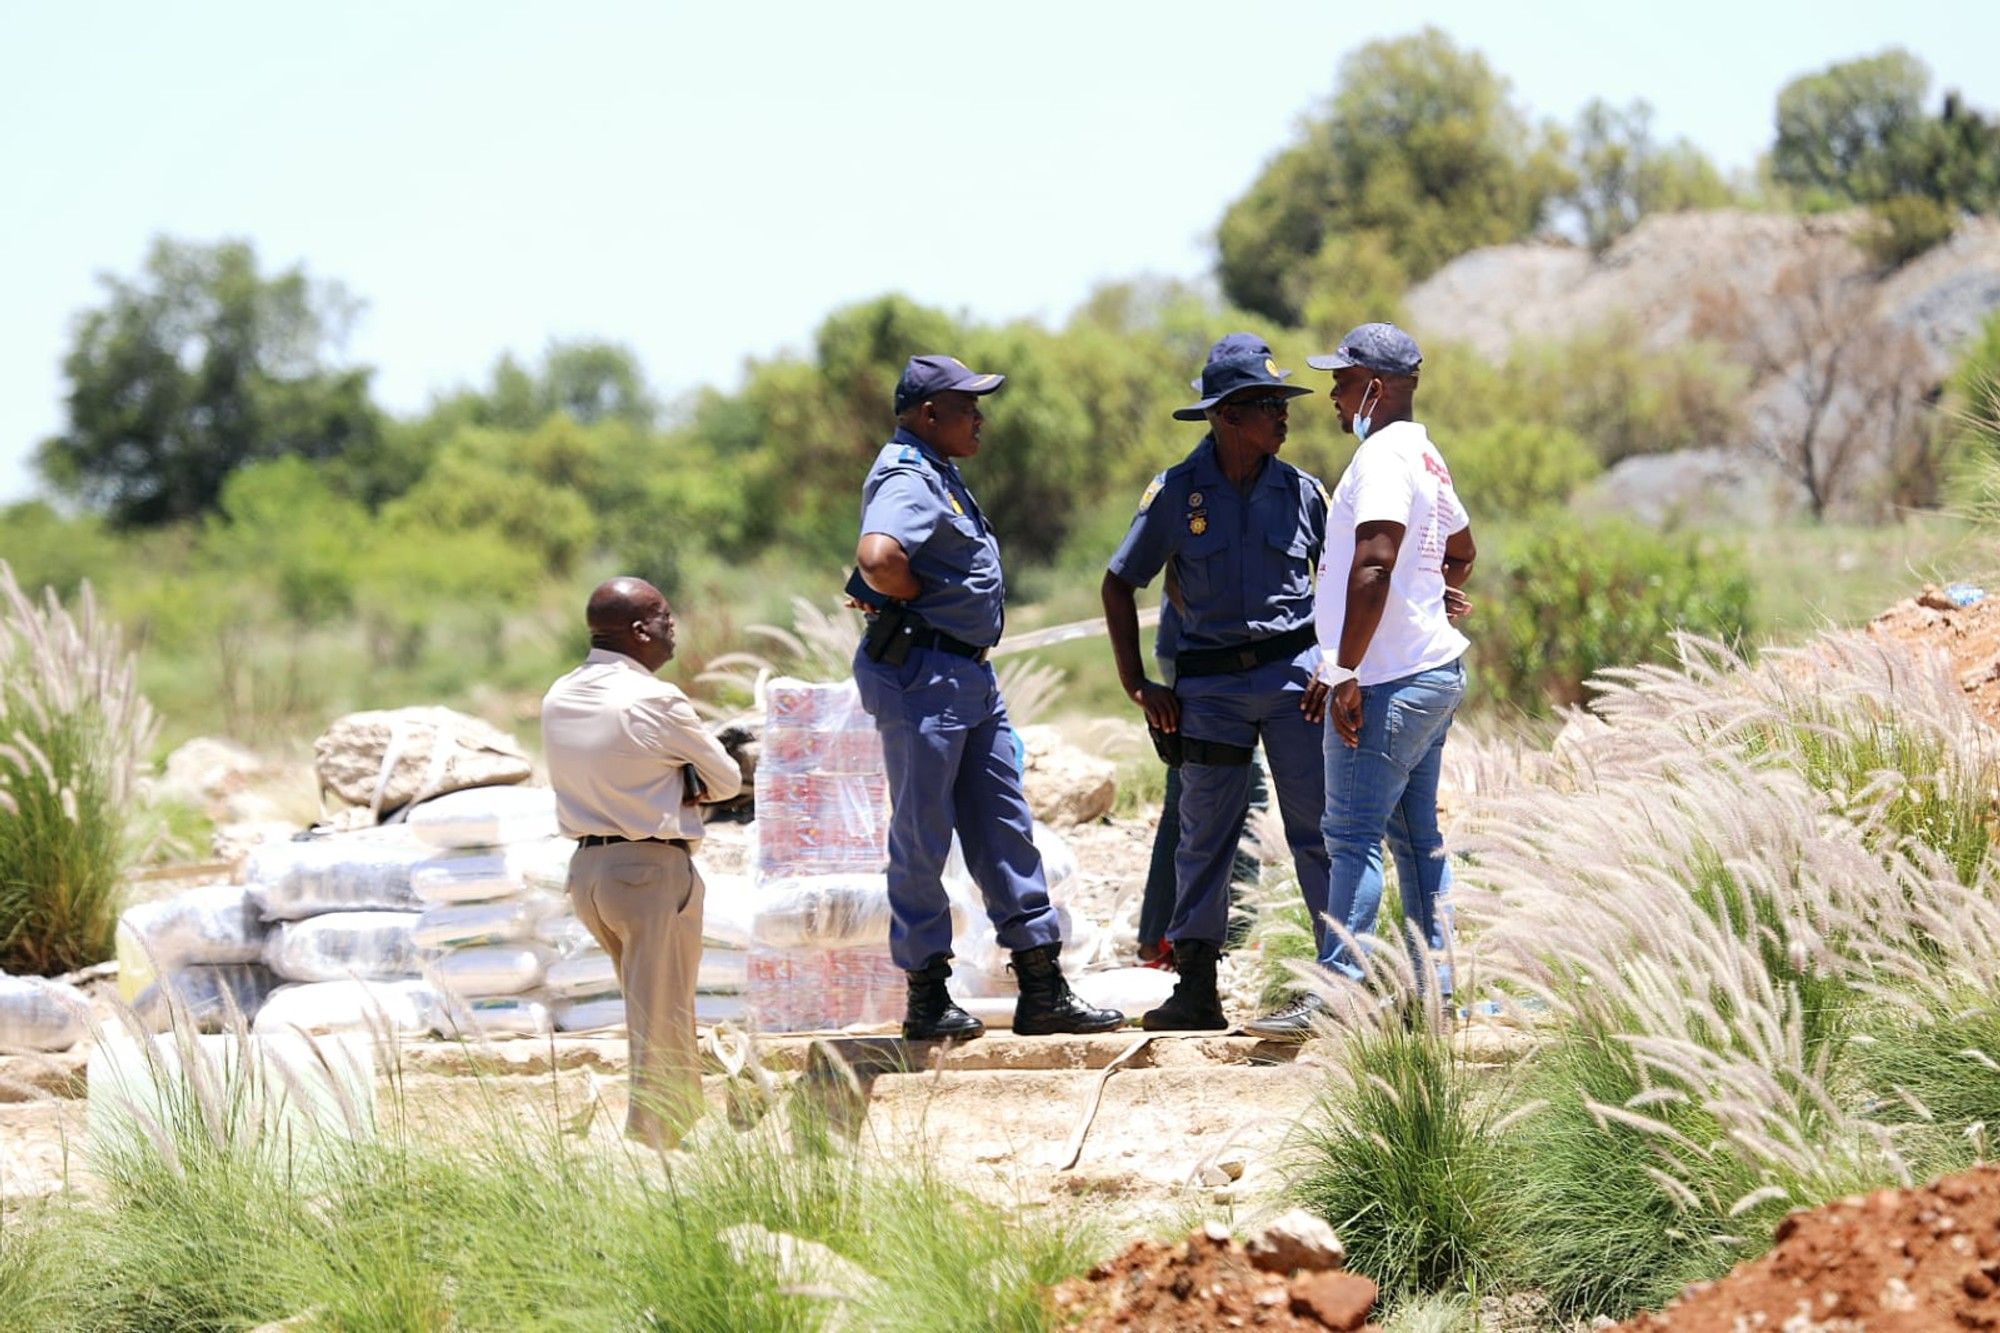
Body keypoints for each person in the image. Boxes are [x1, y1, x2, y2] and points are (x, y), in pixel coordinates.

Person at [851, 353, 1123, 1042]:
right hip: (924, 674)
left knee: (1004, 825)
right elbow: (878, 557)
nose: (980, 416)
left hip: (964, 674)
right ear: (928, 413)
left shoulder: (941, 475)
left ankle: (1041, 986)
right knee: (921, 835)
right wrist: (912, 593)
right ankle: (926, 996)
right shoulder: (907, 475)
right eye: (967, 405)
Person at [1252, 322, 1476, 1039]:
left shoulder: (1382, 456)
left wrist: (1343, 668)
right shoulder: (1426, 454)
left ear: (1376, 387)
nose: (1331, 394)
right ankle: (1434, 996)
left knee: (1348, 837)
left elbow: (1374, 563)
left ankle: (1335, 995)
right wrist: (1427, 595)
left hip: (1387, 681)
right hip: (1433, 672)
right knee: (1417, 842)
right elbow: (1461, 551)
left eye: (1342, 381)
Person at [1102, 340, 1332, 1032]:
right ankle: (1196, 987)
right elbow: (1119, 582)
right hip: (1208, 692)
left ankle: (1341, 982)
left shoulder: (1302, 491)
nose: (1283, 418)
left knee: (1316, 830)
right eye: (1269, 406)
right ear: (1229, 416)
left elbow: (1349, 578)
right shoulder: (1175, 493)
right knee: (1204, 837)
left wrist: (1339, 662)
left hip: (1298, 683)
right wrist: (1138, 682)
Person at [540, 577, 744, 1149]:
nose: (671, 626)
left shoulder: (559, 694)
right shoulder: (653, 697)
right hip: (650, 872)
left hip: (588, 876)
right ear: (637, 631)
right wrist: (687, 782)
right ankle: (656, 1148)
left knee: (648, 1014)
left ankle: (670, 1133)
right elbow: (726, 777)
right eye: (662, 617)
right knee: (662, 1021)